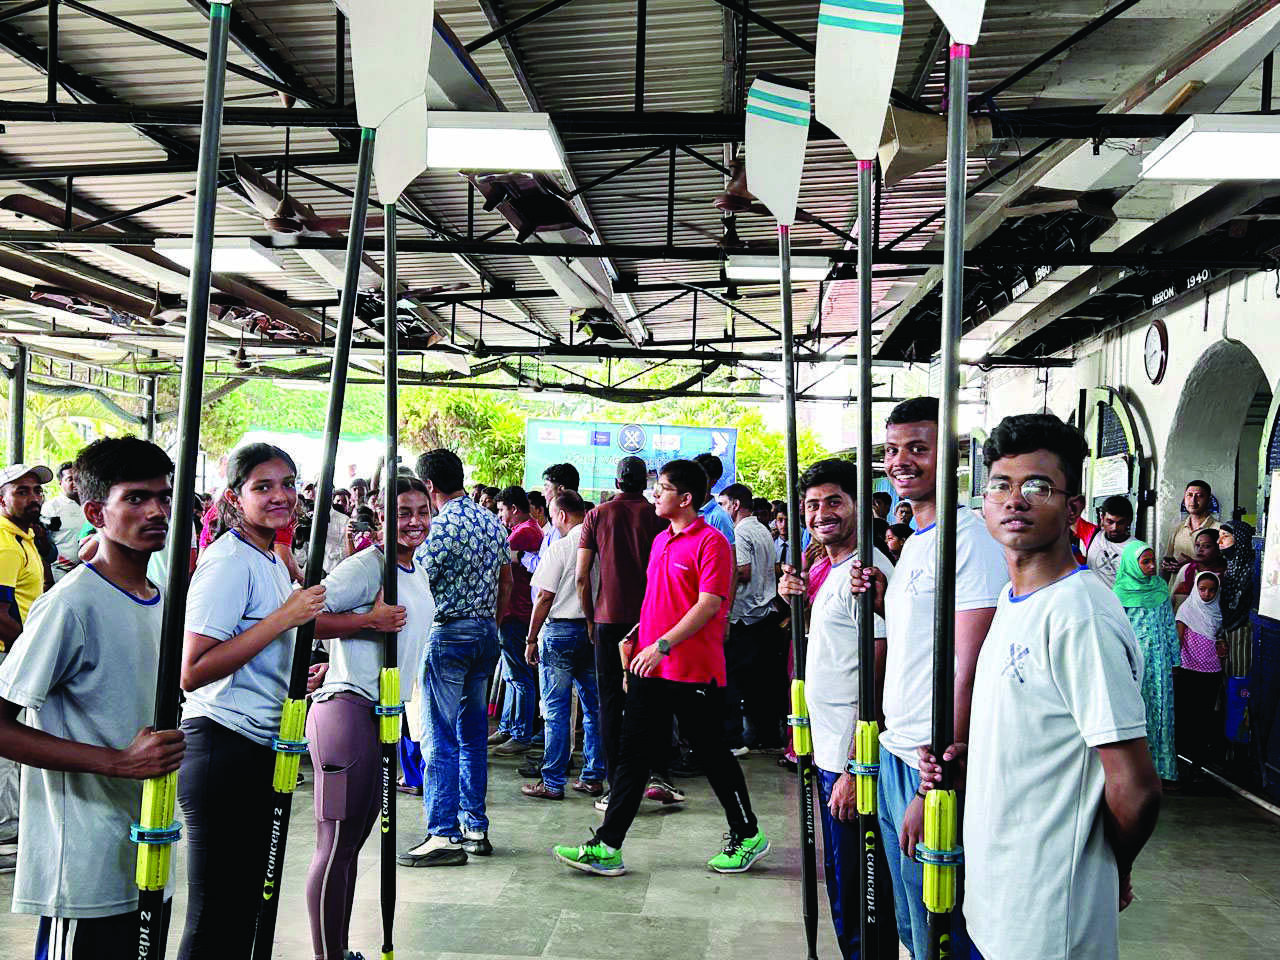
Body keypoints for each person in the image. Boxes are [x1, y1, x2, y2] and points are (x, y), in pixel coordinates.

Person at [924, 413, 1161, 960]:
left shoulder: (1080, 613)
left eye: (1038, 486)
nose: (1015, 500)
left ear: (1074, 509)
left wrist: (1110, 867)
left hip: (1049, 915)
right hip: (995, 899)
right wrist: (971, 761)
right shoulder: (1013, 600)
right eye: (1000, 486)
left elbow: (1135, 785)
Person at [0, 438, 183, 954]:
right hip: (81, 861)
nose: (157, 511)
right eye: (136, 499)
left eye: (164, 497)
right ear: (96, 512)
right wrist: (117, 762)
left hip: (147, 840)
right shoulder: (71, 603)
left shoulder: (159, 598)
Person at [553, 460, 768, 877]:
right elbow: (660, 598)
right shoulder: (661, 541)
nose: (655, 493)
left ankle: (747, 834)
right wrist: (637, 634)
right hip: (650, 666)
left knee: (712, 754)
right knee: (632, 755)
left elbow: (709, 604)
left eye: (664, 488)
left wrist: (664, 644)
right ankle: (607, 844)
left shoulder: (711, 543)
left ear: (685, 499)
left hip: (692, 671)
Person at [854, 397, 1007, 960]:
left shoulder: (969, 539)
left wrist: (935, 783)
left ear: (952, 456)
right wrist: (881, 595)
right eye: (893, 450)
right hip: (898, 749)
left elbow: (969, 665)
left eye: (919, 448)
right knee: (910, 924)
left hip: (931, 759)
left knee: (941, 925)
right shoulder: (916, 539)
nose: (901, 461)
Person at [177, 444, 327, 957]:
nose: (280, 495)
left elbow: (253, 646)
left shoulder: (267, 557)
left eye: (287, 483)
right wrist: (284, 619)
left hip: (257, 743)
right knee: (215, 910)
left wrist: (289, 673)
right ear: (235, 498)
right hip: (222, 745)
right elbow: (193, 671)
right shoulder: (227, 563)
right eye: (263, 487)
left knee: (247, 905)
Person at [304, 477, 431, 960]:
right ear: (380, 512)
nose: (415, 520)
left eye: (422, 510)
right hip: (347, 712)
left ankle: (338, 952)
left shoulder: (410, 569)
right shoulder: (367, 566)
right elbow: (303, 616)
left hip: (381, 716)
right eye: (403, 511)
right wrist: (366, 622)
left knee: (350, 847)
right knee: (335, 847)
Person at [778, 458, 893, 960]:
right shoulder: (827, 568)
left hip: (852, 760)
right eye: (811, 505)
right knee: (842, 890)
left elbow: (881, 674)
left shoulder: (867, 575)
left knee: (861, 897)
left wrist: (852, 765)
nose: (821, 513)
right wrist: (793, 598)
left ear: (860, 506)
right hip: (825, 751)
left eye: (833, 502)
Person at [398, 449, 510, 867]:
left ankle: (441, 832)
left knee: (439, 737)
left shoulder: (439, 529)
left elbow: (415, 583)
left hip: (447, 635)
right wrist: (491, 625)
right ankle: (475, 826)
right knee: (473, 735)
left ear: (428, 487)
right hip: (486, 633)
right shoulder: (491, 520)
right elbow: (506, 580)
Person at [576, 455, 669, 811]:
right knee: (651, 699)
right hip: (650, 620)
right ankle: (657, 774)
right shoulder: (658, 516)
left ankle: (617, 785)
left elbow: (582, 575)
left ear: (616, 481)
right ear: (645, 482)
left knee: (610, 702)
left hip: (608, 618)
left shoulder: (597, 515)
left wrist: (589, 616)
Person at [522, 491, 605, 799]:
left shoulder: (560, 547)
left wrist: (531, 638)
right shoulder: (601, 546)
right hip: (592, 630)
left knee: (556, 711)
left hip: (558, 632)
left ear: (560, 515)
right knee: (593, 708)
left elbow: (544, 596)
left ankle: (553, 781)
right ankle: (593, 776)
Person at [0, 461, 53, 866]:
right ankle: (5, 833)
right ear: (2, 498)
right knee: (7, 740)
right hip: (7, 653)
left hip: (15, 650)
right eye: (22, 491)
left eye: (36, 491)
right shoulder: (4, 541)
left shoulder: (25, 538)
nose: (33, 498)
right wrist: (29, 648)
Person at [718, 481, 782, 752]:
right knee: (760, 683)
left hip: (744, 615)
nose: (721, 510)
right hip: (765, 613)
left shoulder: (741, 532)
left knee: (733, 679)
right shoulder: (763, 530)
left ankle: (735, 738)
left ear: (734, 505)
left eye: (723, 504)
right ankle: (765, 735)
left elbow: (741, 571)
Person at [1113, 541, 1179, 782]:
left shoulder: (1160, 588)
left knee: (1162, 712)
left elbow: (1169, 625)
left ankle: (1163, 770)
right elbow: (1115, 633)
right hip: (1134, 664)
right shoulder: (1119, 594)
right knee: (1137, 712)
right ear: (1132, 564)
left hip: (1160, 662)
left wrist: (1174, 659)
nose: (1152, 567)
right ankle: (1136, 772)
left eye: (1153, 561)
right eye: (1145, 562)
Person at [492, 485, 544, 756]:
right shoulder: (527, 530)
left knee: (519, 676)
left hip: (517, 612)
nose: (500, 516)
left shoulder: (524, 533)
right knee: (513, 675)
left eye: (501, 510)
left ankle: (520, 732)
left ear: (513, 509)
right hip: (517, 611)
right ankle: (509, 727)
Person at [1175, 571, 1226, 768]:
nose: (1206, 594)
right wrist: (1176, 663)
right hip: (1188, 667)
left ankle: (1198, 757)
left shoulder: (1217, 611)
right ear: (1196, 589)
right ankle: (1182, 754)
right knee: (1186, 711)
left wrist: (1222, 643)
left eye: (1212, 591)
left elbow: (1219, 635)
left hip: (1211, 669)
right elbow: (1179, 637)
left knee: (1205, 713)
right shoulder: (1187, 609)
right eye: (1202, 589)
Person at [1217, 519, 1256, 676]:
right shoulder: (1230, 567)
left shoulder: (1252, 570)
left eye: (1225, 536)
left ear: (1240, 539)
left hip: (1244, 630)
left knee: (1240, 676)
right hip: (1228, 629)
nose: (1219, 541)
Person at [1162, 480, 1219, 579]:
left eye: (1199, 496)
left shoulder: (1219, 530)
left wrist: (1191, 566)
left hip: (1204, 592)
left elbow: (1224, 567)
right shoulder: (1177, 529)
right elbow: (1168, 561)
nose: (1193, 500)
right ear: (1184, 499)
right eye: (1189, 495)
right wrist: (1167, 566)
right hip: (1176, 591)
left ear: (1209, 501)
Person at [41, 462, 84, 582]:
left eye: (78, 478)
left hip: (87, 571)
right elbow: (43, 543)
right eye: (70, 479)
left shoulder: (89, 504)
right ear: (60, 483)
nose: (76, 483)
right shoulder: (51, 507)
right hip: (60, 571)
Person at [1085, 495, 1134, 588]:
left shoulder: (1138, 550)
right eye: (1110, 522)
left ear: (1129, 521)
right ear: (1102, 518)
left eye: (1120, 523)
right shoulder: (1092, 534)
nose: (1114, 528)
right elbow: (1066, 516)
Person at [1170, 528, 1227, 607]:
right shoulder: (1187, 570)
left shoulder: (1226, 573)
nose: (1200, 549)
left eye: (1207, 546)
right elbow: (1172, 600)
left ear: (1219, 549)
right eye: (1197, 545)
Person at [692, 452, 736, 546]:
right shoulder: (686, 510)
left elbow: (730, 555)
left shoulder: (719, 517)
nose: (694, 482)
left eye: (701, 478)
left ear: (713, 482)